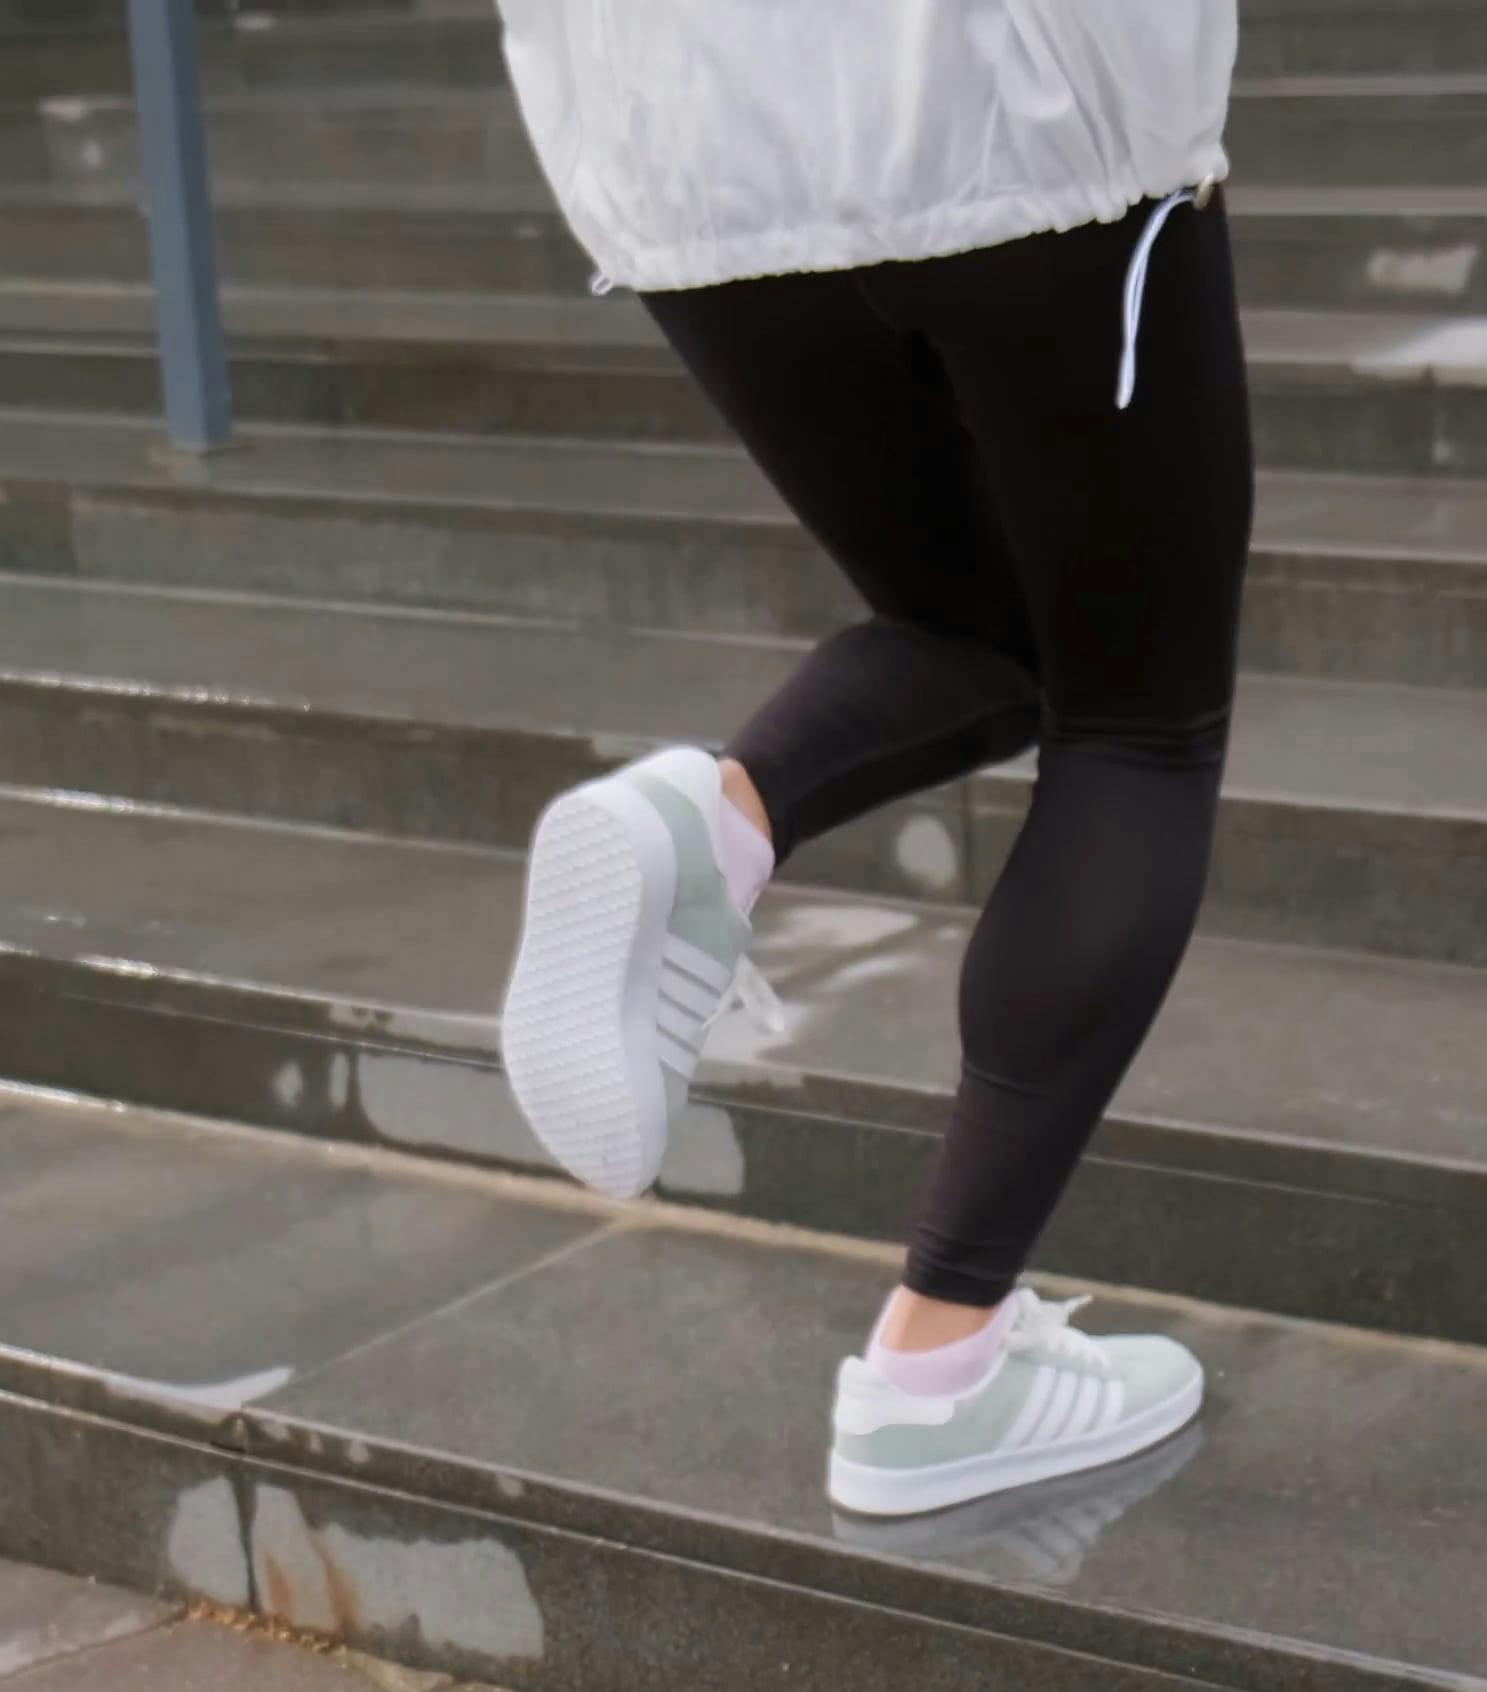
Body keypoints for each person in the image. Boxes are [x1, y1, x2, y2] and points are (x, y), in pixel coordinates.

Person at [492, 0, 1249, 1517]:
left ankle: (718, 819)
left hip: (683, 134)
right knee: (1137, 718)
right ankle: (939, 1374)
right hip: (1014, 106)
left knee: (980, 623)